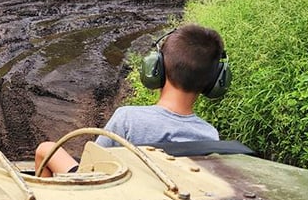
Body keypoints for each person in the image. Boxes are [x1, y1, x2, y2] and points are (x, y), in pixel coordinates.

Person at [35, 24, 228, 177]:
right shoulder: (209, 135)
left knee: (46, 149)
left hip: (113, 198)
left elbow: (92, 171)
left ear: (156, 68)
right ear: (214, 81)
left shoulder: (128, 118)